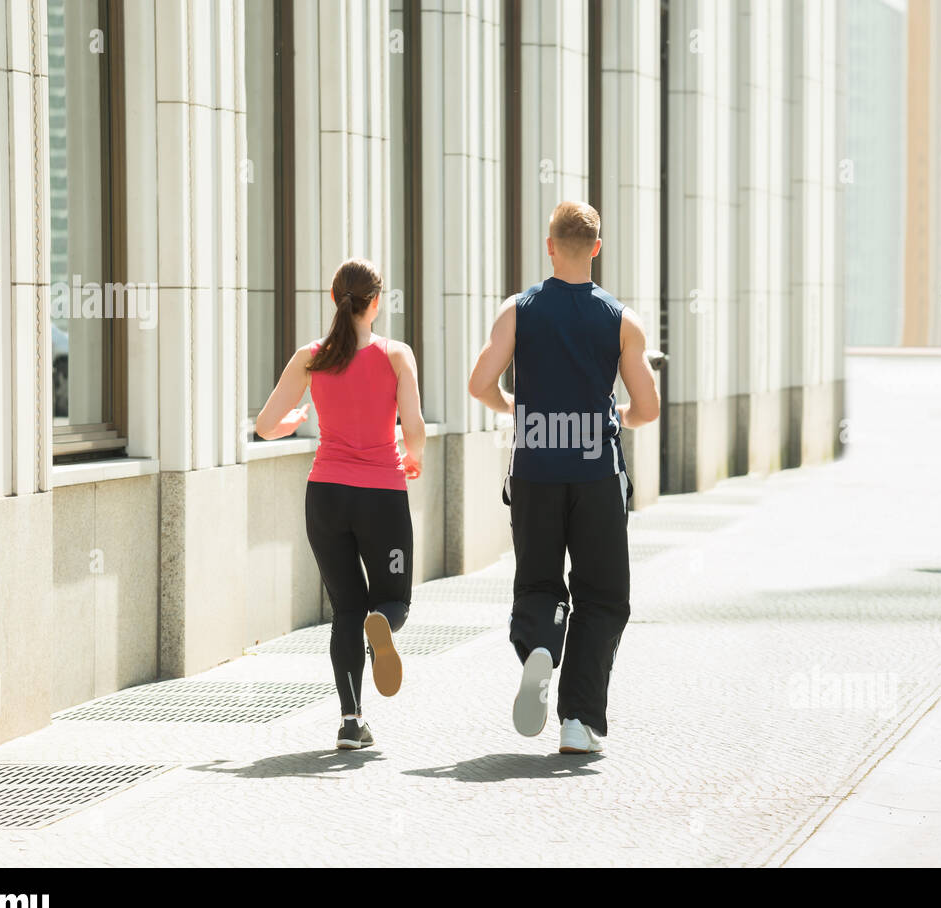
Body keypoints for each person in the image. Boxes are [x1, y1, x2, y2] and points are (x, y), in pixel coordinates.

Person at [467, 200, 661, 754]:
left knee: (537, 582)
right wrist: (610, 417)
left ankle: (541, 645)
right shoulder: (621, 320)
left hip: (534, 469)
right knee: (602, 595)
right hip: (596, 473)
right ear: (596, 248)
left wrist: (517, 408)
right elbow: (646, 408)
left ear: (549, 246)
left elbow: (480, 384)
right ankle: (578, 722)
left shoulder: (518, 310)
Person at [256, 257, 425, 750]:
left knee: (346, 608)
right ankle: (384, 627)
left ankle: (351, 722)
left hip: (325, 495)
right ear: (376, 303)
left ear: (334, 299)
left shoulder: (311, 356)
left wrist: (291, 424)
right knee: (392, 600)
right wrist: (410, 457)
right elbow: (413, 430)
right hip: (382, 496)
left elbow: (265, 425)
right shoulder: (397, 355)